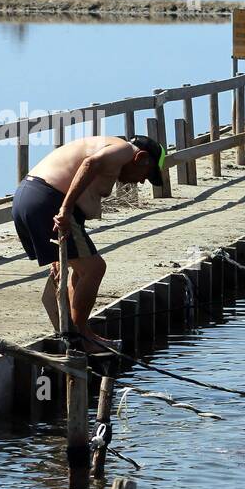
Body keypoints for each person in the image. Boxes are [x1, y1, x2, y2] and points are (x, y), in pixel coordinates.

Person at [11, 134, 165, 352]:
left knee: (80, 269)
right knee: (94, 269)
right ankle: (83, 336)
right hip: (50, 200)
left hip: (28, 197)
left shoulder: (107, 145)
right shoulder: (124, 150)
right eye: (146, 175)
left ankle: (74, 332)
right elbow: (90, 163)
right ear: (141, 158)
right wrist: (65, 209)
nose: (141, 181)